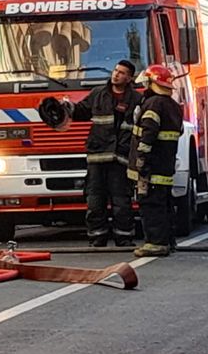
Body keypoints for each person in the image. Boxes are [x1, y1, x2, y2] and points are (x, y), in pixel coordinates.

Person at [38, 60, 140, 247]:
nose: (116, 74)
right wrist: (64, 107)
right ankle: (97, 237)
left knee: (121, 200)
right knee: (94, 200)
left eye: (122, 72)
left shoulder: (135, 100)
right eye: (116, 70)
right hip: (97, 157)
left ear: (129, 78)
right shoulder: (98, 94)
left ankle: (124, 237)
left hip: (120, 159)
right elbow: (81, 111)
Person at [127, 64, 183, 258]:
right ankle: (168, 241)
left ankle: (155, 243)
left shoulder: (153, 104)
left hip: (151, 167)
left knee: (150, 205)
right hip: (165, 165)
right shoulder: (173, 105)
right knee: (164, 204)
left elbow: (148, 133)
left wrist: (142, 160)